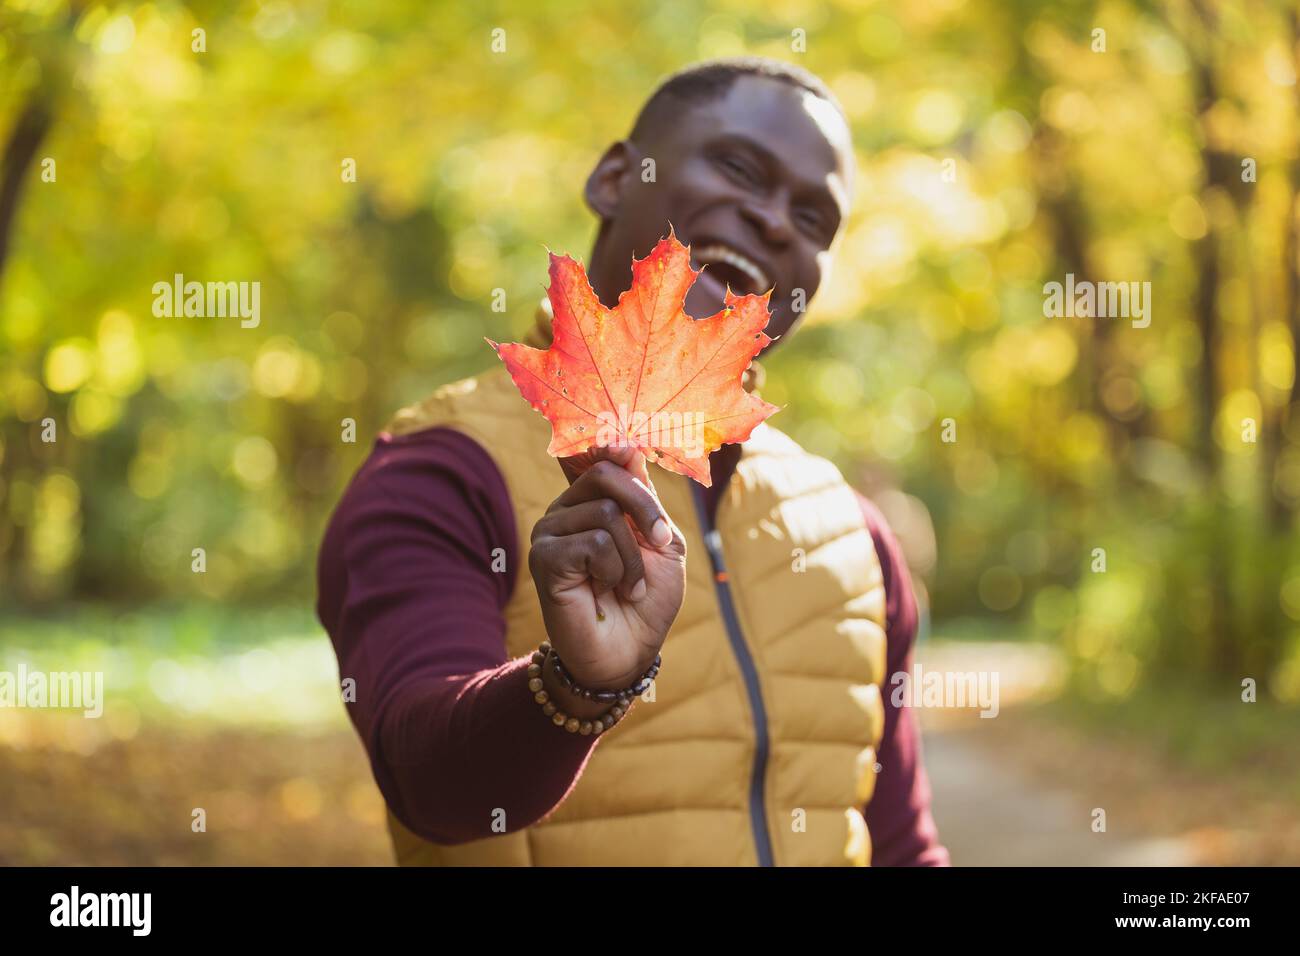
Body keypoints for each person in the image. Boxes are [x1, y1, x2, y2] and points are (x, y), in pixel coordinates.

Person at [317, 56, 949, 866]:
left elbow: (897, 841)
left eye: (815, 220)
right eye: (739, 168)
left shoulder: (849, 533)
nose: (779, 223)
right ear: (615, 178)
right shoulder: (443, 471)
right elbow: (427, 783)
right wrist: (573, 688)